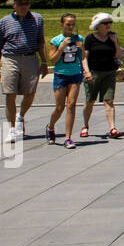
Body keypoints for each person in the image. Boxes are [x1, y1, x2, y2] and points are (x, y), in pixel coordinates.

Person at [0, 0, 47, 143]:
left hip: (30, 58)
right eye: (21, 4)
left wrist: (45, 62)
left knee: (30, 92)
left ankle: (20, 116)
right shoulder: (5, 21)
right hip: (10, 59)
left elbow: (41, 42)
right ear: (14, 5)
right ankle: (12, 128)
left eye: (27, 4)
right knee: (10, 93)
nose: (24, 7)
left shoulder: (37, 19)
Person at [82, 11, 124, 139]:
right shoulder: (90, 38)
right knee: (90, 100)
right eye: (105, 23)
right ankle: (85, 125)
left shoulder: (112, 37)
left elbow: (118, 55)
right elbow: (84, 57)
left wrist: (115, 42)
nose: (108, 25)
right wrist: (87, 71)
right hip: (94, 72)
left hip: (109, 72)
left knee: (109, 100)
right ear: (97, 25)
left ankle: (112, 127)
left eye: (109, 22)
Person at [46, 14, 85, 148]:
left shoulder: (79, 39)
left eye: (73, 24)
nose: (71, 27)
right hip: (61, 75)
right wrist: (61, 47)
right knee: (59, 107)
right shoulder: (56, 40)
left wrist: (82, 48)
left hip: (75, 74)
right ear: (62, 24)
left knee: (71, 104)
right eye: (68, 24)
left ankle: (68, 138)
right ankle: (50, 127)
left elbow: (83, 57)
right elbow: (53, 60)